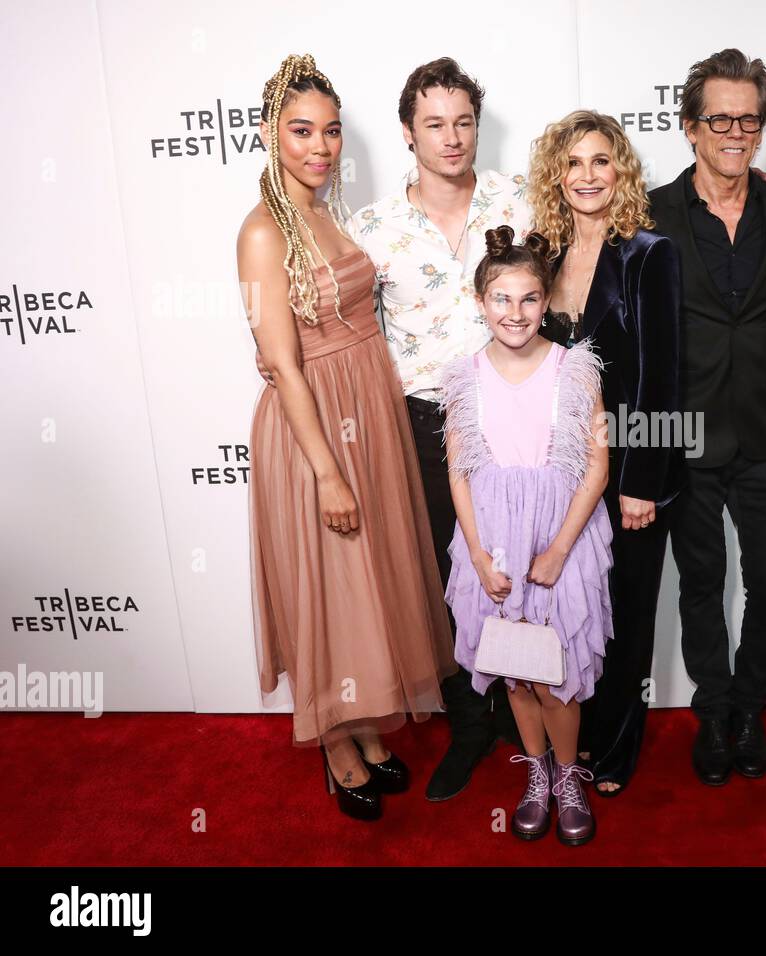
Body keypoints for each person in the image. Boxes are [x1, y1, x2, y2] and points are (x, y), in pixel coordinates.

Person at [264, 58, 531, 800]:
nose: (451, 138)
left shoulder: (521, 197)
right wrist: (289, 366)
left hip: (516, 422)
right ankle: (468, 723)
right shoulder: (369, 229)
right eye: (434, 124)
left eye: (464, 122)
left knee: (519, 567)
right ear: (409, 133)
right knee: (443, 578)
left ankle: (522, 710)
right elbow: (326, 316)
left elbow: (594, 239)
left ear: (479, 127)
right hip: (421, 423)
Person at [239, 54, 456, 821]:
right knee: (326, 585)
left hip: (369, 409)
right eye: (301, 131)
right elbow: (281, 364)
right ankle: (335, 741)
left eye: (330, 131)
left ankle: (362, 722)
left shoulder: (329, 213)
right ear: (270, 135)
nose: (320, 147)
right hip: (314, 429)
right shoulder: (263, 233)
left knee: (367, 578)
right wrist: (327, 472)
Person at [648, 48, 766, 787]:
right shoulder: (651, 212)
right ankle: (713, 712)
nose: (735, 131)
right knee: (700, 585)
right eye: (719, 117)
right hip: (685, 436)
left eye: (748, 118)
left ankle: (751, 705)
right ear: (690, 126)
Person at [439, 225, 614, 845]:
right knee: (515, 669)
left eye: (529, 299)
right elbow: (459, 473)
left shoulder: (575, 368)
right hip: (494, 538)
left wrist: (560, 549)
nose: (515, 314)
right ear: (480, 302)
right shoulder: (464, 376)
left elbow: (597, 465)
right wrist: (481, 557)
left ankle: (569, 776)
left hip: (559, 535)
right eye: (501, 300)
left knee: (556, 669)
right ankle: (535, 772)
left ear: (547, 302)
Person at [530, 110, 684, 795]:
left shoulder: (649, 252)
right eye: (574, 163)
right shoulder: (544, 253)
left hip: (626, 475)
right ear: (555, 176)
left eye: (601, 161)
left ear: (619, 170)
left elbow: (663, 373)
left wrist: (642, 480)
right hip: (555, 475)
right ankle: (571, 743)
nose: (587, 176)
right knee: (570, 610)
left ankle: (615, 750)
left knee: (624, 615)